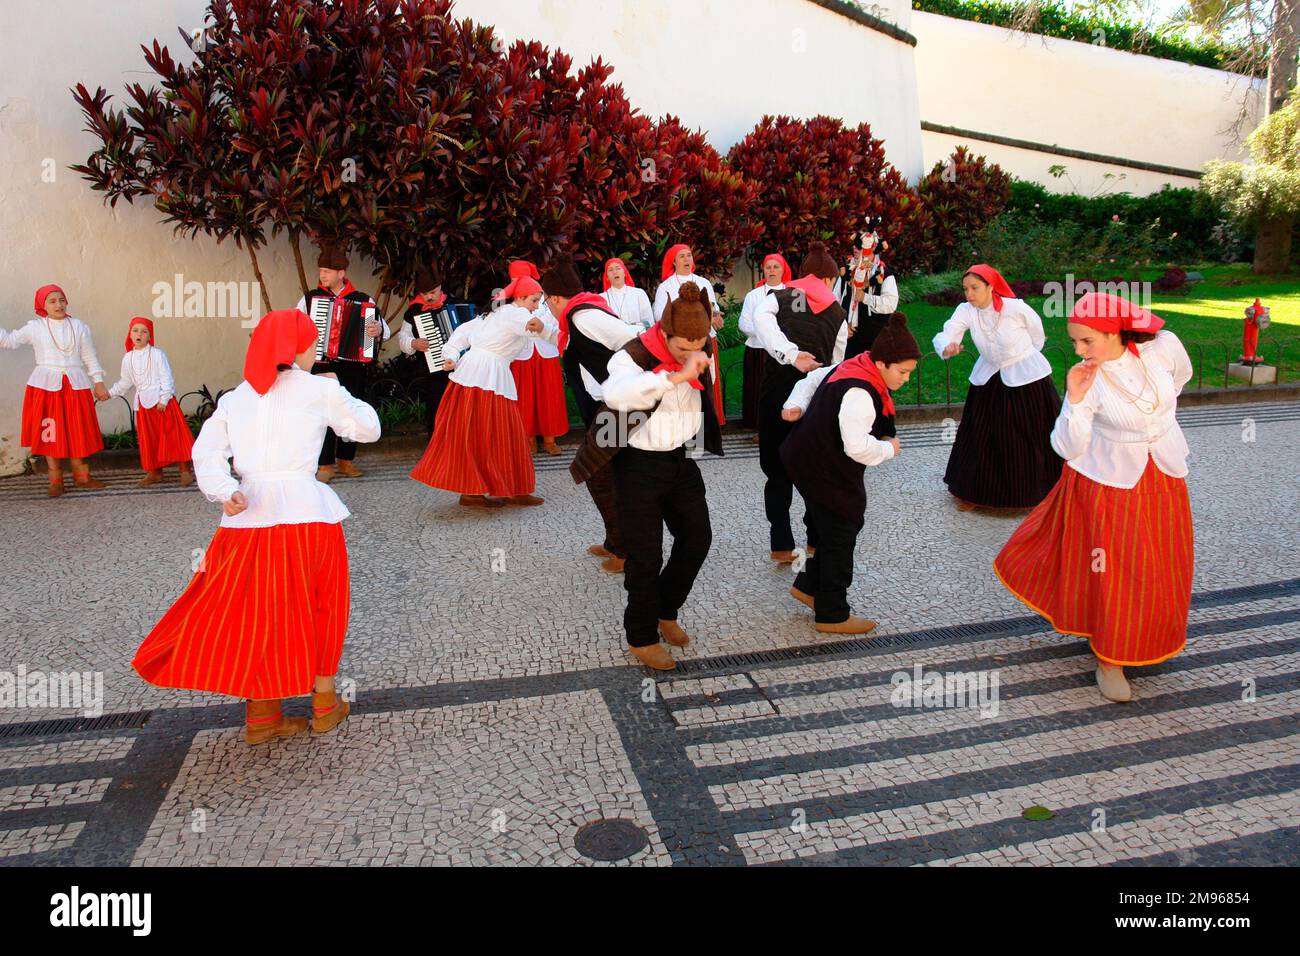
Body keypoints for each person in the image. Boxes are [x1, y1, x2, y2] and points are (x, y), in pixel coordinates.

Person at [132, 309, 381, 745]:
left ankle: (263, 714)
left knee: (254, 611)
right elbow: (368, 429)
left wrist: (224, 489)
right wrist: (336, 390)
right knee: (321, 603)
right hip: (307, 515)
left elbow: (204, 452)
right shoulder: (318, 388)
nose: (315, 349)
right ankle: (324, 703)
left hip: (246, 519)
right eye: (311, 342)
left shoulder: (236, 398)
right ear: (297, 348)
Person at [994, 293, 1194, 703]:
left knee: (1165, 560)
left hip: (1165, 472)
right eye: (1075, 342)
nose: (1079, 351)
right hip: (1109, 483)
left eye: (1087, 341)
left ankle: (1148, 635)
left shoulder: (1165, 348)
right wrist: (1077, 399)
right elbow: (1066, 446)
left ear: (1117, 332)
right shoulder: (1088, 378)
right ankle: (1110, 659)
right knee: (1116, 571)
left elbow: (1180, 380)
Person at [575, 283, 722, 670]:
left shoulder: (701, 348)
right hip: (637, 463)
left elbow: (702, 397)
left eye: (699, 345)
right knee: (645, 554)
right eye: (681, 347)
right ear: (665, 333)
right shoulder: (634, 354)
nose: (692, 354)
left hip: (680, 459)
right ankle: (640, 636)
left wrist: (692, 371)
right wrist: (671, 377)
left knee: (697, 538)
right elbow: (617, 395)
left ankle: (665, 610)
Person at [781, 314, 919, 634]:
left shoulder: (857, 364)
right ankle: (832, 614)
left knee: (832, 528)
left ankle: (809, 587)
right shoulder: (860, 392)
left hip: (805, 457)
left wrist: (797, 404)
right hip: (821, 466)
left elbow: (813, 379)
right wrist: (888, 450)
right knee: (842, 529)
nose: (907, 379)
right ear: (881, 363)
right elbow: (856, 447)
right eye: (903, 372)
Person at [408, 274, 555, 508]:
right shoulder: (515, 313)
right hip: (488, 376)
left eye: (538, 301)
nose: (536, 306)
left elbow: (461, 334)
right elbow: (531, 328)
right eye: (534, 301)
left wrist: (451, 356)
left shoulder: (493, 313)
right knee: (500, 433)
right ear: (520, 297)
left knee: (475, 434)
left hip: (472, 374)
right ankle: (508, 490)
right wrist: (551, 329)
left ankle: (481, 491)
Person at [933, 264, 1062, 510]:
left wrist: (1022, 357)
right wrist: (947, 346)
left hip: (1026, 376)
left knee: (1030, 435)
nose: (969, 294)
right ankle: (975, 492)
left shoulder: (1016, 308)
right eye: (965, 289)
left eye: (975, 288)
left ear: (990, 287)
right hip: (989, 374)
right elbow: (948, 332)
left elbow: (1038, 335)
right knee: (980, 434)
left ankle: (1039, 491)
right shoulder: (966, 310)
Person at [751, 242, 849, 562]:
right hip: (814, 400)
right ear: (827, 280)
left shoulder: (777, 297)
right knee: (814, 469)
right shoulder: (837, 312)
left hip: (776, 395)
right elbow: (836, 364)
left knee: (776, 469)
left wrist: (789, 355)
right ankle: (815, 540)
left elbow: (761, 324)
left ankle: (780, 542)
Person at [545, 255, 639, 572]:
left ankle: (627, 550)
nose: (548, 308)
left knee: (596, 472)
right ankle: (618, 542)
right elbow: (578, 347)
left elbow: (631, 338)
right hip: (608, 407)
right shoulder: (576, 318)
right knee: (607, 473)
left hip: (618, 407)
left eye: (547, 302)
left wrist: (625, 381)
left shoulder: (584, 317)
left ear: (556, 298)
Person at [1, 284, 109, 495]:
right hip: (46, 386)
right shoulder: (35, 327)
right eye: (52, 301)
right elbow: (9, 340)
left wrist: (98, 381)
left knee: (77, 429)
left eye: (61, 300)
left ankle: (82, 477)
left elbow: (89, 356)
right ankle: (55, 479)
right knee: (50, 432)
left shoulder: (79, 326)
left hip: (76, 384)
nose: (58, 305)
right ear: (42, 305)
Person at [296, 242, 388, 483]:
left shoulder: (362, 299)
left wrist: (377, 329)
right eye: (321, 271)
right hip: (321, 365)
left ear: (341, 273)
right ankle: (324, 464)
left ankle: (346, 460)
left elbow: (383, 329)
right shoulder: (310, 299)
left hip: (352, 366)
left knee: (351, 411)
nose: (321, 275)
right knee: (322, 414)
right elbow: (296, 327)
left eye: (326, 271)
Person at [104, 316, 194, 487]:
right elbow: (126, 382)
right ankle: (154, 472)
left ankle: (184, 470)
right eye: (135, 330)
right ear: (130, 334)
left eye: (144, 331)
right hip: (143, 404)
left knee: (173, 435)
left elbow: (166, 377)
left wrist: (165, 398)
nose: (139, 334)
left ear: (149, 336)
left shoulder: (158, 354)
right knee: (149, 439)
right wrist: (110, 393)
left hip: (162, 402)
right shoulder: (128, 358)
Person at [397, 261, 473, 439]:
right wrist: (413, 344)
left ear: (440, 288)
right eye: (424, 294)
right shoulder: (414, 311)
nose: (429, 297)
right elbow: (403, 338)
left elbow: (471, 333)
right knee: (435, 408)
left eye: (432, 292)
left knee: (460, 408)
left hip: (460, 368)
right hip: (431, 371)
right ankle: (436, 445)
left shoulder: (455, 304)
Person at [653, 243, 727, 424]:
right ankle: (684, 424)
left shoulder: (704, 283)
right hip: (681, 344)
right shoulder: (666, 287)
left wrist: (715, 315)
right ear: (673, 262)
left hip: (705, 340)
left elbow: (712, 307)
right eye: (682, 256)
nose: (687, 259)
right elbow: (659, 316)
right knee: (685, 385)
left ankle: (707, 422)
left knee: (707, 380)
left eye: (689, 255)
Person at [506, 260, 568, 456]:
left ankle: (550, 439)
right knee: (524, 396)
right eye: (513, 279)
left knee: (548, 395)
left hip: (546, 351)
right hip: (521, 354)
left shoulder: (545, 297)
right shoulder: (507, 300)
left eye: (520, 278)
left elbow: (557, 321)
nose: (516, 282)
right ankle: (528, 438)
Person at [738, 253, 791, 431]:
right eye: (768, 267)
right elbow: (744, 323)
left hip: (785, 350)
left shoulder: (795, 295)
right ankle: (758, 425)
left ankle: (783, 424)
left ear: (783, 270)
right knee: (758, 389)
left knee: (782, 388)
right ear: (764, 271)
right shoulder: (752, 296)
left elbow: (797, 322)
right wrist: (767, 334)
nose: (772, 270)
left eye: (776, 267)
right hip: (758, 349)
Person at [833, 240, 898, 358]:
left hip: (874, 339)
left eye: (860, 245)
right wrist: (842, 325)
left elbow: (890, 304)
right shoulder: (847, 273)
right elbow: (834, 301)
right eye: (855, 244)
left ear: (873, 248)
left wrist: (865, 298)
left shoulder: (884, 274)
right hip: (848, 338)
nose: (855, 247)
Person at [600, 257, 654, 331]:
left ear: (625, 273)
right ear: (607, 277)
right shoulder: (602, 299)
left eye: (618, 268)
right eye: (610, 270)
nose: (615, 272)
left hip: (638, 338)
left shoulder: (639, 293)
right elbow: (602, 326)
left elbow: (649, 322)